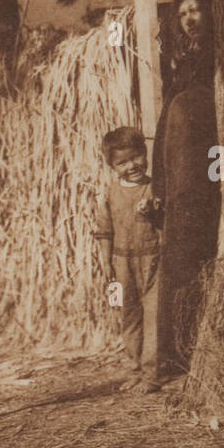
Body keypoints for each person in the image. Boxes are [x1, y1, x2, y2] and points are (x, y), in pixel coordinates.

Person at [151, 0, 220, 379]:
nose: (190, 19)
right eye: (182, 14)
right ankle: (174, 354)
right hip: (181, 169)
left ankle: (187, 349)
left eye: (195, 10)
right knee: (179, 255)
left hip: (203, 169)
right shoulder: (184, 61)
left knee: (197, 251)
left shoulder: (216, 58)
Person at [94, 126, 163, 393]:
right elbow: (104, 229)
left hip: (152, 260)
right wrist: (106, 260)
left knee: (153, 316)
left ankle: (151, 375)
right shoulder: (111, 193)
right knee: (128, 315)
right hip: (121, 263)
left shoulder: (154, 187)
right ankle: (134, 368)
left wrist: (155, 209)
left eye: (136, 157)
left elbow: (166, 222)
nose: (131, 166)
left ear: (144, 154)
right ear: (112, 165)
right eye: (121, 162)